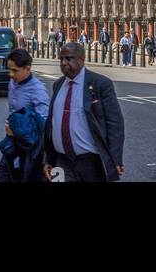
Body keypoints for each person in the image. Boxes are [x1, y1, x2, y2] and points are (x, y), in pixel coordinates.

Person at [43, 41, 125, 183]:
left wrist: (115, 159)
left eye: (69, 58)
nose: (63, 62)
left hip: (90, 162)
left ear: (81, 59)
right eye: (61, 59)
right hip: (62, 161)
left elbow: (115, 123)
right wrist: (48, 159)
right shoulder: (58, 85)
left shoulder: (100, 84)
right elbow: (52, 124)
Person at [0, 48, 50, 182]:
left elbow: (43, 125)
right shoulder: (13, 82)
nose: (11, 74)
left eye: (15, 70)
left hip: (30, 150)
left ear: (27, 68)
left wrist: (16, 131)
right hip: (12, 145)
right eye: (9, 69)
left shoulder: (38, 91)